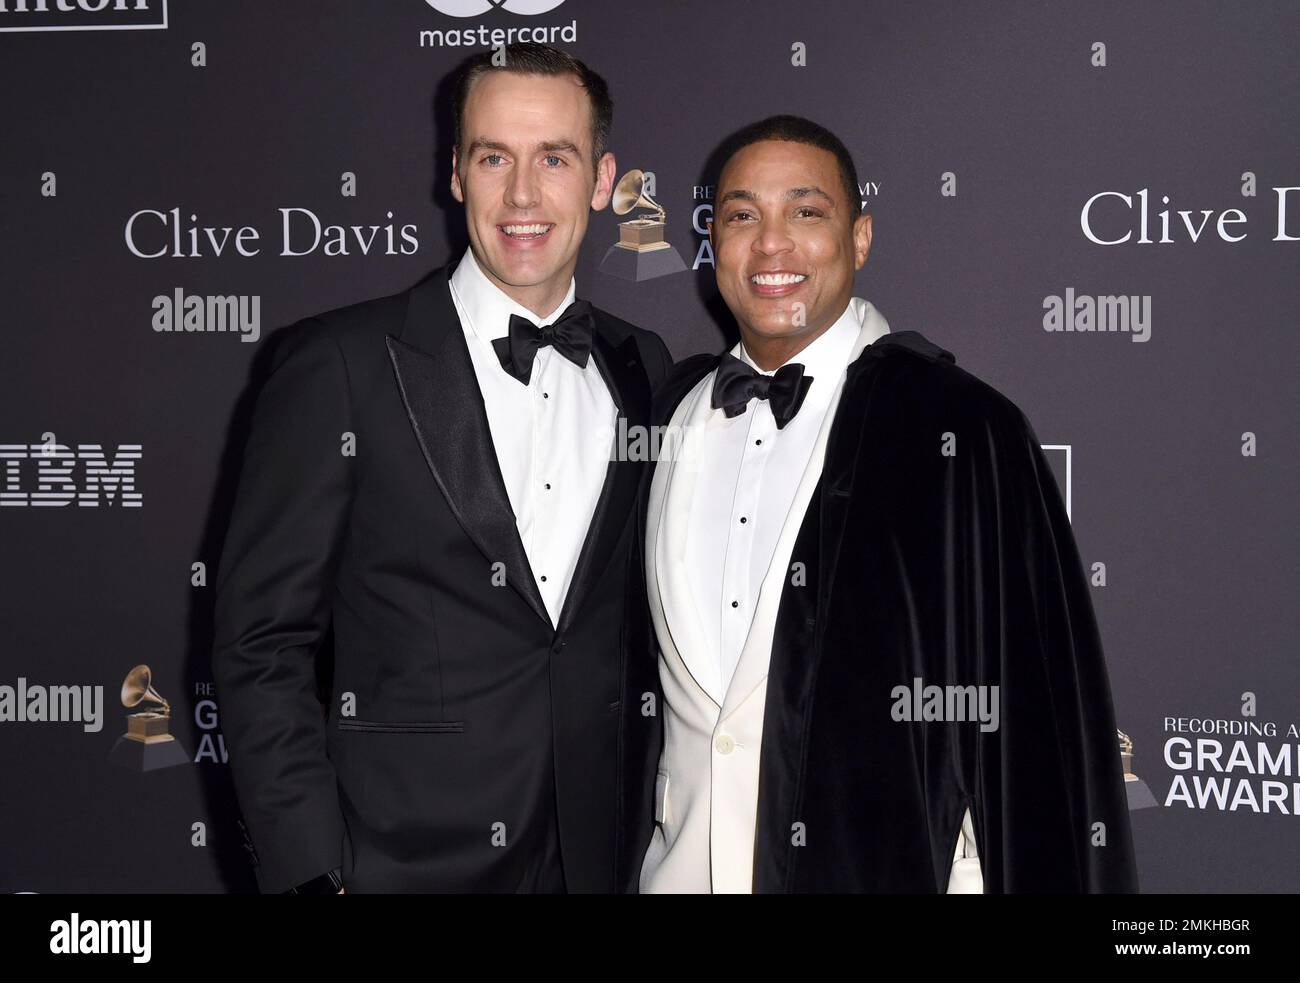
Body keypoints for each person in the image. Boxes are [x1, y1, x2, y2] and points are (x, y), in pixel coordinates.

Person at [621, 114, 1138, 893]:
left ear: (860, 237)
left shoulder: (960, 429)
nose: (771, 244)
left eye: (805, 211)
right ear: (711, 240)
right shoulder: (665, 412)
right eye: (741, 215)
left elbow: (1039, 729)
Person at [212, 42, 670, 894]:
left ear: (602, 181)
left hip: (600, 862)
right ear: (456, 174)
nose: (524, 195)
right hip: (397, 866)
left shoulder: (642, 365)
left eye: (555, 159)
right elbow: (260, 643)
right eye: (494, 156)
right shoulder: (338, 365)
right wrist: (313, 872)